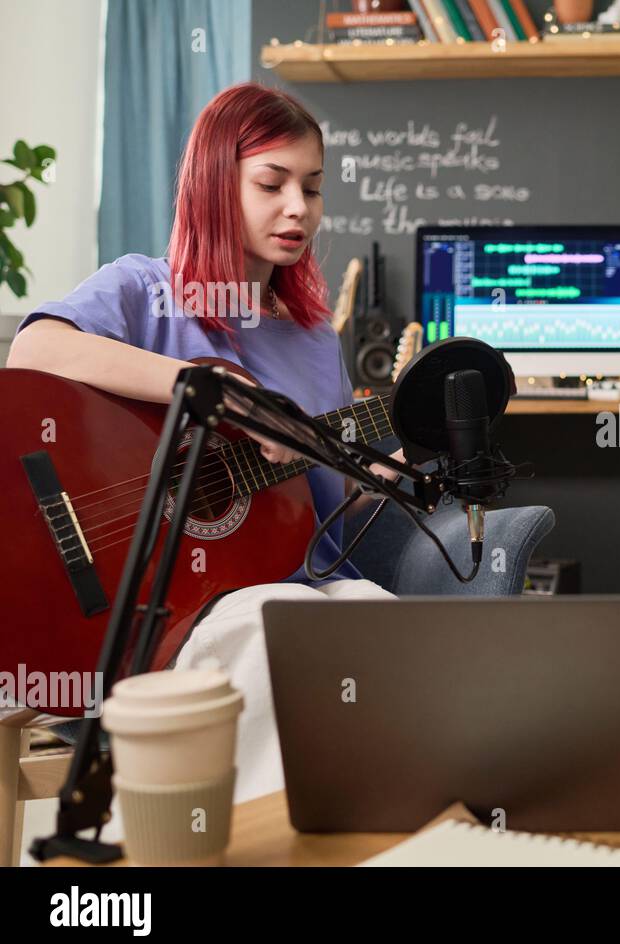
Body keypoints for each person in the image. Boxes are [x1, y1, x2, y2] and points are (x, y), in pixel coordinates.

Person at [7, 83, 403, 802]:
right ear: (217, 184)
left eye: (313, 188)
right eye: (271, 183)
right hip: (155, 608)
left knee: (381, 620)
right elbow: (32, 353)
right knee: (282, 632)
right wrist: (217, 393)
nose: (299, 209)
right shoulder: (140, 290)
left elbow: (322, 512)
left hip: (285, 586)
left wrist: (376, 469)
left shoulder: (314, 337)